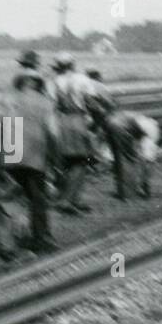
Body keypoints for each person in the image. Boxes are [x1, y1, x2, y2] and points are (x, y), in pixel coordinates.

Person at [0, 71, 59, 256]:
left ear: (19, 83)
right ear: (38, 84)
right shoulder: (46, 102)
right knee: (37, 198)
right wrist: (55, 158)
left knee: (9, 198)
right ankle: (40, 239)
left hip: (10, 152)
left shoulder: (7, 100)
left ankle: (7, 244)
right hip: (35, 155)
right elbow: (52, 132)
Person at [48, 53, 97, 214]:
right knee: (81, 162)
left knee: (68, 162)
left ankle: (73, 199)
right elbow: (90, 102)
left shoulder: (53, 81)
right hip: (78, 120)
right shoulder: (82, 79)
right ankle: (67, 201)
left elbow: (52, 105)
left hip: (62, 121)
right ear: (72, 64)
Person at [104, 107, 162, 198]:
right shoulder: (154, 132)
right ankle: (128, 195)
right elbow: (148, 159)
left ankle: (122, 192)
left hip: (110, 121)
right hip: (121, 125)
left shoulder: (148, 122)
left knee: (119, 159)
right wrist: (146, 184)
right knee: (129, 161)